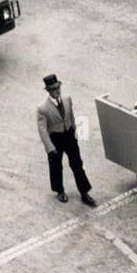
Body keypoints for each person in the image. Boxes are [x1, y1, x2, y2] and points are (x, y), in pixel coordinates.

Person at [37, 74, 96, 206]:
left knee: (77, 164)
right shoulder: (42, 108)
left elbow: (71, 116)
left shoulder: (67, 99)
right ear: (48, 91)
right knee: (56, 165)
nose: (57, 91)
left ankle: (84, 192)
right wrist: (50, 147)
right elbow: (42, 130)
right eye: (53, 89)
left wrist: (74, 130)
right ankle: (59, 190)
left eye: (58, 87)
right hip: (55, 138)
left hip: (68, 135)